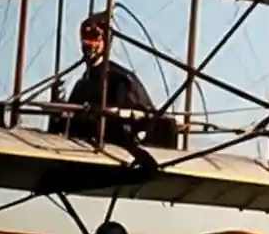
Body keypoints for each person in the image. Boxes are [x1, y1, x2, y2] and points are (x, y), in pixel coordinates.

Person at [50, 11, 175, 148]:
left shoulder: (122, 80)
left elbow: (147, 119)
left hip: (114, 151)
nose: (88, 44)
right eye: (85, 37)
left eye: (94, 37)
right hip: (78, 150)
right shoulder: (83, 84)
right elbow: (69, 125)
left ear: (105, 41)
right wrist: (57, 108)